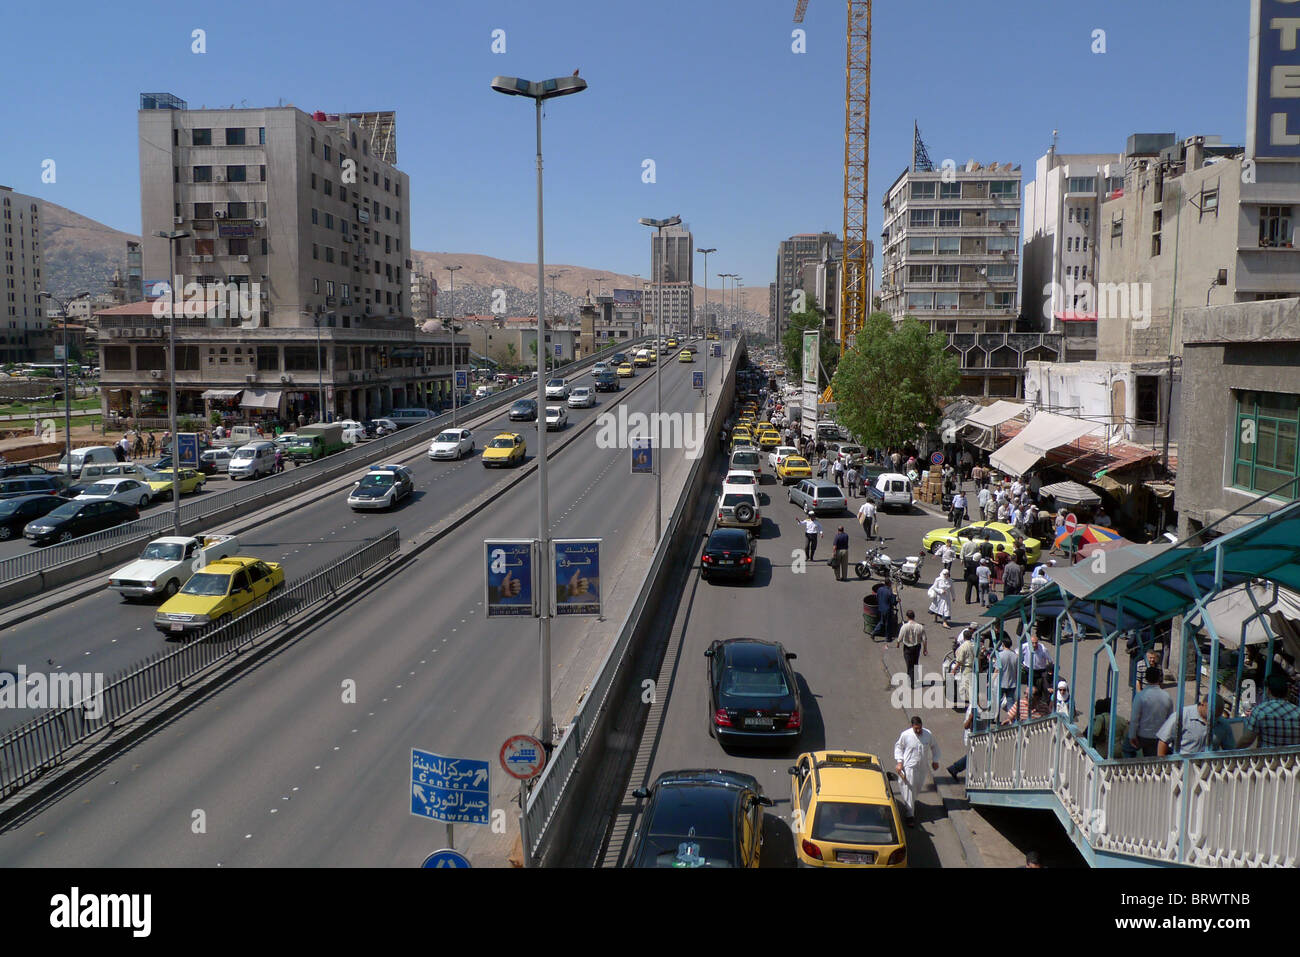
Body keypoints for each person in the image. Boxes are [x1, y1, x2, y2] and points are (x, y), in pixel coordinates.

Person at [893, 716, 941, 827]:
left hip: (922, 767)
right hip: (909, 767)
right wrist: (900, 762)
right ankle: (910, 815)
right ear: (912, 726)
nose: (918, 731)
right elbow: (898, 747)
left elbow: (935, 747)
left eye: (920, 728)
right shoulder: (906, 735)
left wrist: (935, 760)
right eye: (916, 729)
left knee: (917, 788)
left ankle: (910, 804)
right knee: (910, 788)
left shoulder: (928, 734)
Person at [1236, 671, 1300, 749]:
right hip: (1293, 759)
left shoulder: (1260, 711)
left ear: (1268, 691)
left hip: (1267, 759)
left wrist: (1232, 751)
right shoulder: (1297, 712)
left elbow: (1247, 740)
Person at [1157, 695, 1231, 756]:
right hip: (1181, 765)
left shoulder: (1223, 723)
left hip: (1209, 768)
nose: (1214, 719)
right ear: (1202, 705)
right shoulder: (1182, 716)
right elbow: (1163, 741)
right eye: (1212, 715)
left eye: (1217, 716)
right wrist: (1162, 765)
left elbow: (1230, 750)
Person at [1129, 666, 1174, 757]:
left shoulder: (1140, 696)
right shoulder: (1167, 696)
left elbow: (1134, 719)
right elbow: (1170, 719)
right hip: (1161, 736)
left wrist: (1132, 735)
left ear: (1146, 678)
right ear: (1159, 678)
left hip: (1143, 736)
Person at [898, 610, 927, 689]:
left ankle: (911, 681)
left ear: (907, 617)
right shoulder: (920, 626)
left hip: (907, 648)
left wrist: (897, 644)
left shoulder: (904, 626)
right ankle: (914, 679)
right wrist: (925, 649)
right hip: (917, 647)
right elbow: (924, 639)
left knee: (909, 664)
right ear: (914, 616)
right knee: (915, 662)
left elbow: (900, 638)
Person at [1021, 631, 1054, 696]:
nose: (1034, 645)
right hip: (1029, 669)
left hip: (1040, 671)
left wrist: (1049, 669)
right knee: (1030, 688)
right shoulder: (1025, 646)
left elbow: (1050, 660)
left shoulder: (1043, 649)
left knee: (1039, 688)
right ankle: (1029, 700)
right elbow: (1017, 652)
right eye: (1032, 643)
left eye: (1036, 643)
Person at [953, 628, 977, 708]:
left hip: (966, 669)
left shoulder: (963, 647)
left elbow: (959, 661)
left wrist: (953, 670)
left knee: (969, 689)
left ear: (964, 637)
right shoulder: (975, 645)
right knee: (973, 687)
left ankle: (973, 708)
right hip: (975, 667)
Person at [995, 636, 1019, 713]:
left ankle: (994, 717)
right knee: (1010, 702)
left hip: (1001, 682)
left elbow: (996, 670)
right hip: (1012, 682)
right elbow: (1016, 670)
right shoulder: (1015, 656)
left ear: (1003, 644)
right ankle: (1011, 718)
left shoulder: (1000, 655)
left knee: (997, 700)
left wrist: (991, 681)